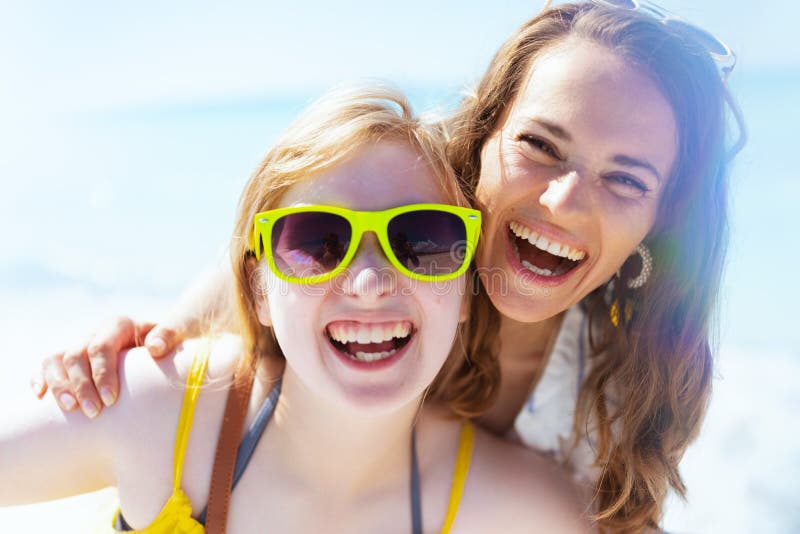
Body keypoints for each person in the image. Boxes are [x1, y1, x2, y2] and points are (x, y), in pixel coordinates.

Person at [31, 2, 744, 531]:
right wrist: (157, 333)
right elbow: (292, 235)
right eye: (540, 145)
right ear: (481, 135)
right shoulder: (403, 236)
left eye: (626, 180)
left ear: (660, 222)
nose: (563, 201)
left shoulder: (621, 392)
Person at [2, 86, 587, 533]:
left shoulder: (518, 508)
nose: (368, 281)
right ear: (258, 290)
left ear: (465, 289)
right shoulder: (161, 411)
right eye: (316, 242)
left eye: (423, 239)